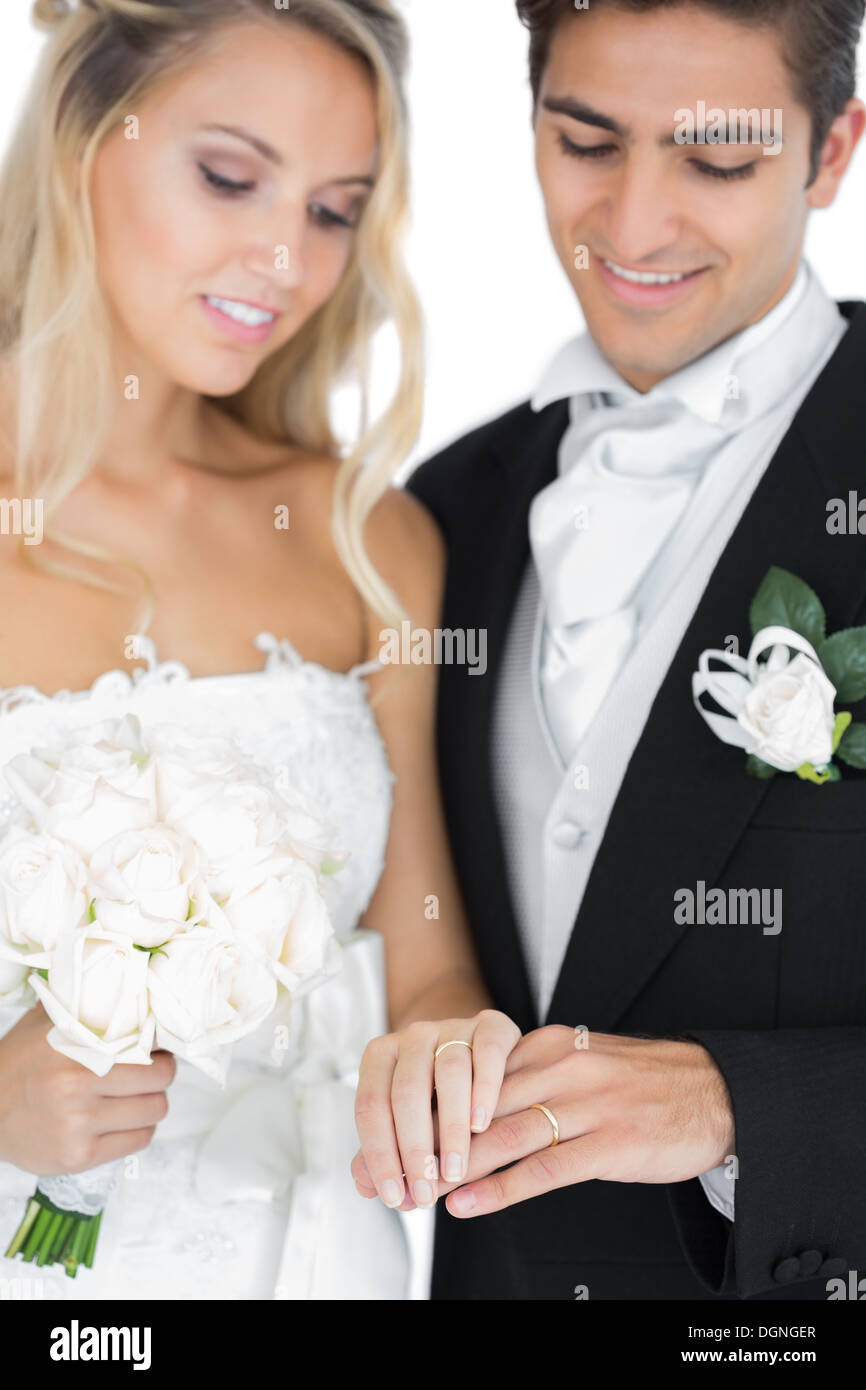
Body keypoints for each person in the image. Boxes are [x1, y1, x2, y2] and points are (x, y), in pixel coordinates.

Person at [354, 0, 866, 1300]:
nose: (632, 227)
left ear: (831, 151)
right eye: (586, 142)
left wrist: (744, 1104)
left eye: (715, 161)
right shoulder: (447, 511)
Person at [0, 0, 501, 1302]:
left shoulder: (368, 538)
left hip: (312, 1256)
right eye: (230, 176)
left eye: (335, 210)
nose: (285, 257)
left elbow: (424, 948)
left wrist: (446, 1051)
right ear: (77, 138)